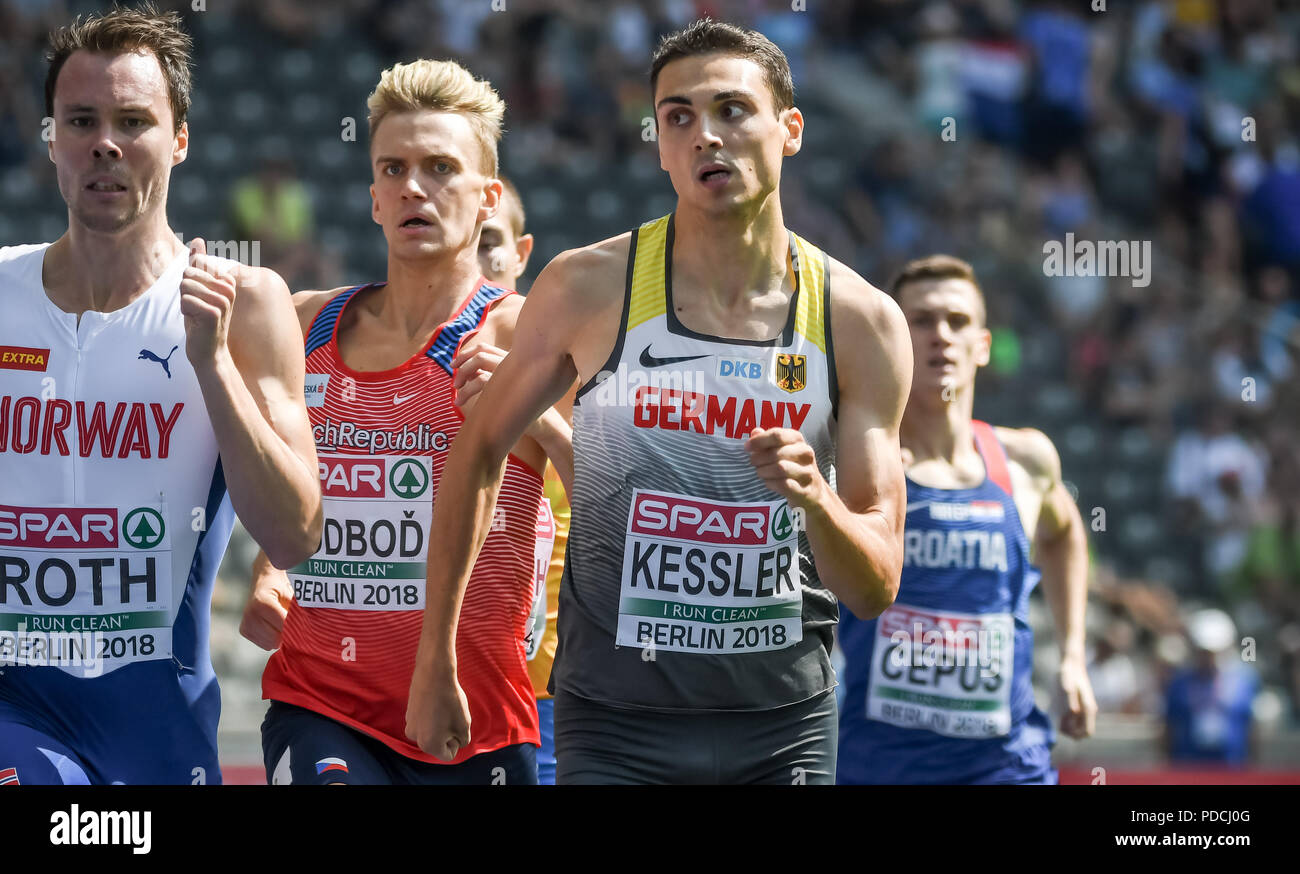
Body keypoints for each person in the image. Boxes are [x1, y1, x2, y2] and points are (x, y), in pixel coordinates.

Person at [407, 18, 912, 785]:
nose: (705, 135)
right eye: (678, 117)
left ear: (791, 129)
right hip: (615, 727)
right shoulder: (588, 287)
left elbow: (874, 586)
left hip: (782, 730)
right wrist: (434, 656)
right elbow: (476, 449)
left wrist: (815, 498)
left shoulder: (861, 321)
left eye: (731, 110)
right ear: (660, 143)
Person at [0, 5, 322, 785]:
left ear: (179, 139)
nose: (105, 142)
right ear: (50, 140)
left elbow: (295, 535)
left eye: (133, 120)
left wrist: (211, 364)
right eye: (80, 119)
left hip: (157, 717)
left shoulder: (243, 301)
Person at [239, 59, 572, 785]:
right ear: (373, 199)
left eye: (440, 167)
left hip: (475, 721)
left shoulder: (529, 334)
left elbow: (614, 511)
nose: (413, 186)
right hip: (320, 703)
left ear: (488, 197)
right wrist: (271, 567)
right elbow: (269, 466)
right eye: (393, 167)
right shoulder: (302, 324)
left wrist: (541, 423)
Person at [836, 254, 1096, 784]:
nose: (941, 335)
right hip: (878, 766)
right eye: (922, 321)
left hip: (1006, 766)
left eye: (957, 321)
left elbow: (1065, 535)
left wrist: (1072, 656)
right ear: (892, 338)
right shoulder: (855, 466)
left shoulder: (1024, 461)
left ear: (983, 345)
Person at [475, 177, 568, 786]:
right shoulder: (395, 366)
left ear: (522, 252)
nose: (478, 259)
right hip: (417, 681)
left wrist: (539, 417)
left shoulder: (573, 363)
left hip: (548, 700)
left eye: (491, 241)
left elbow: (623, 504)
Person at [1164, 608, 1258, 767]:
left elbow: (1252, 730)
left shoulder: (1245, 682)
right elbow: (1168, 729)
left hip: (1233, 769)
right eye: (1203, 652)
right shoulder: (1179, 683)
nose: (1209, 657)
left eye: (1214, 652)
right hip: (1188, 768)